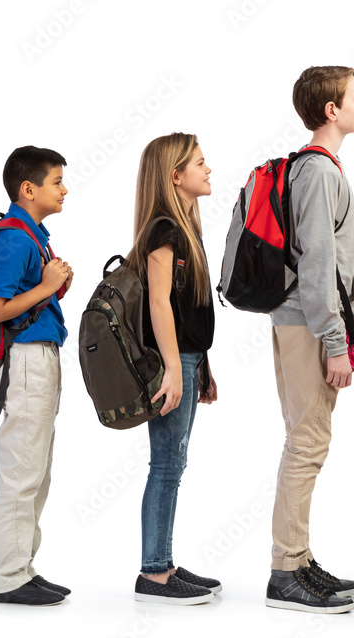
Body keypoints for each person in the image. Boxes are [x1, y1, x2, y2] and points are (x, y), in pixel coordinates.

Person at [265, 66, 354, 614]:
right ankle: (286, 571)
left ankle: (299, 560)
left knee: (303, 439)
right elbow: (318, 264)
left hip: (297, 319)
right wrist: (335, 341)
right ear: (331, 109)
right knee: (307, 444)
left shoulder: (310, 169)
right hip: (309, 323)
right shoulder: (320, 173)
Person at [125, 133, 220, 605]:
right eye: (200, 163)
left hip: (187, 357)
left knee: (173, 463)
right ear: (174, 176)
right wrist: (173, 368)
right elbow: (159, 306)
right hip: (172, 359)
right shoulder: (164, 229)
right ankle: (154, 572)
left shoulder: (185, 227)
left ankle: (162, 560)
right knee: (166, 464)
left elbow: (190, 308)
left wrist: (201, 365)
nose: (209, 170)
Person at [0, 146, 73, 606]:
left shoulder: (34, 234)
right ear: (28, 189)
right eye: (57, 181)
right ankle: (6, 577)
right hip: (25, 359)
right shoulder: (17, 236)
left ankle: (22, 567)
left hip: (40, 356)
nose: (64, 189)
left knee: (37, 470)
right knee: (21, 470)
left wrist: (49, 286)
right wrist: (47, 287)